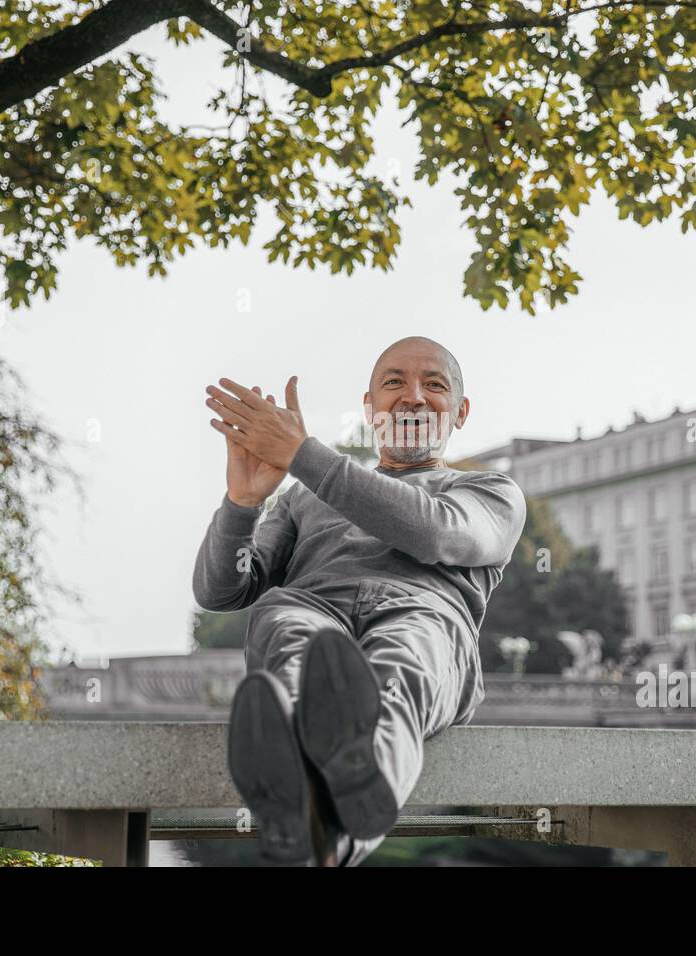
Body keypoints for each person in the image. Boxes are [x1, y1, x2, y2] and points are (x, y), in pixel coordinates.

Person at [193, 336, 526, 865]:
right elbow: (223, 591)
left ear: (461, 412)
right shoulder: (306, 497)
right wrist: (242, 504)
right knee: (286, 624)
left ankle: (332, 828)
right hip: (312, 610)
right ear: (370, 409)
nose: (413, 396)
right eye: (393, 383)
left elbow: (434, 532)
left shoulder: (489, 492)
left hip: (423, 616)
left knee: (406, 655)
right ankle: (310, 803)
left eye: (434, 384)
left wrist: (304, 456)